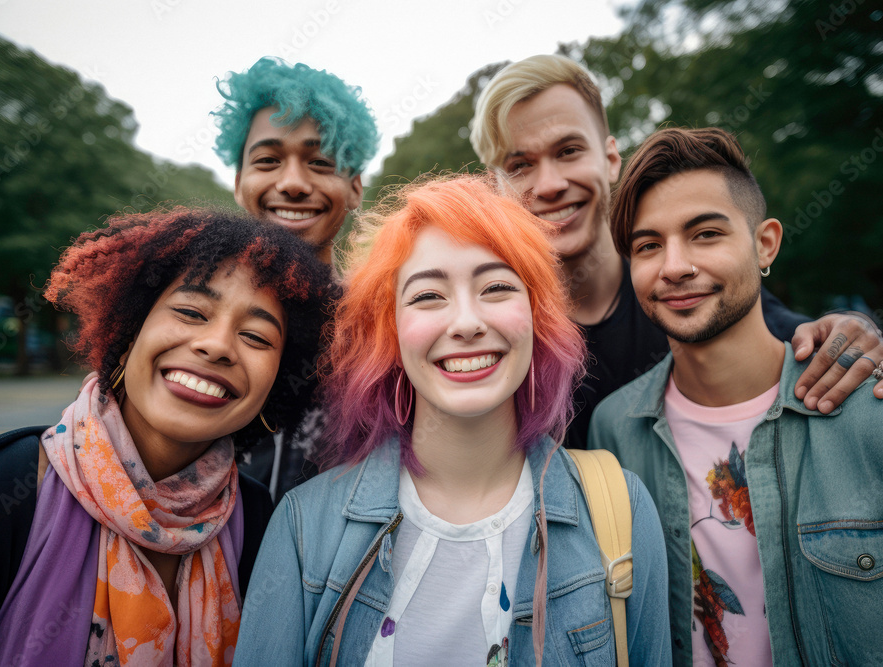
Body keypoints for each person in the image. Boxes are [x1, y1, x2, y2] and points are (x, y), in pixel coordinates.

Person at [234, 176, 671, 666]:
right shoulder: (301, 526)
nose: (466, 322)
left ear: (536, 316)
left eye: (497, 287)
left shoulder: (622, 510)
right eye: (428, 296)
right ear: (390, 331)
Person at [588, 127, 883, 666]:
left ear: (765, 243)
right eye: (648, 245)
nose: (675, 266)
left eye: (705, 234)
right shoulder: (612, 431)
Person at [0, 207, 336, 666]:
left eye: (257, 336)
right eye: (190, 311)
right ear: (129, 334)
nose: (218, 345)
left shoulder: (261, 523)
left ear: (276, 382)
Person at [469, 54, 883, 449]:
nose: (549, 185)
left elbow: (785, 333)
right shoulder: (489, 323)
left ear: (610, 159)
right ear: (498, 187)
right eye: (520, 165)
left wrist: (848, 333)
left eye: (569, 151)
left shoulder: (681, 288)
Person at [211, 56, 380, 501]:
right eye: (268, 160)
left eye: (320, 162)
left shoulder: (389, 331)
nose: (292, 183)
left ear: (356, 188)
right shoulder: (180, 319)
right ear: (239, 181)